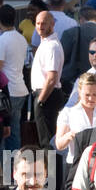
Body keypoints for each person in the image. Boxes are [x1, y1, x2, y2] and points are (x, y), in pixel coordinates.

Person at [0, 4, 29, 150]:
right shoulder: (21, 39)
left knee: (2, 133)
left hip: (6, 94)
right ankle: (15, 167)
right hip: (20, 90)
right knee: (14, 133)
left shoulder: (0, 42)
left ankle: (4, 168)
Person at [54, 71, 96, 173]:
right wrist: (69, 136)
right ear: (79, 92)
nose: (91, 98)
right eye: (87, 94)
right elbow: (59, 145)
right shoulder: (68, 112)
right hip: (75, 165)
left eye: (95, 94)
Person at [30, 10, 65, 147]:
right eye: (37, 23)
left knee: (47, 140)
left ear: (52, 24)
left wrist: (40, 100)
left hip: (47, 95)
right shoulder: (46, 43)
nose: (40, 26)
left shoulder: (52, 46)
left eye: (44, 23)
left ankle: (52, 168)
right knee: (44, 138)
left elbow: (51, 78)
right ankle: (49, 167)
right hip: (45, 94)